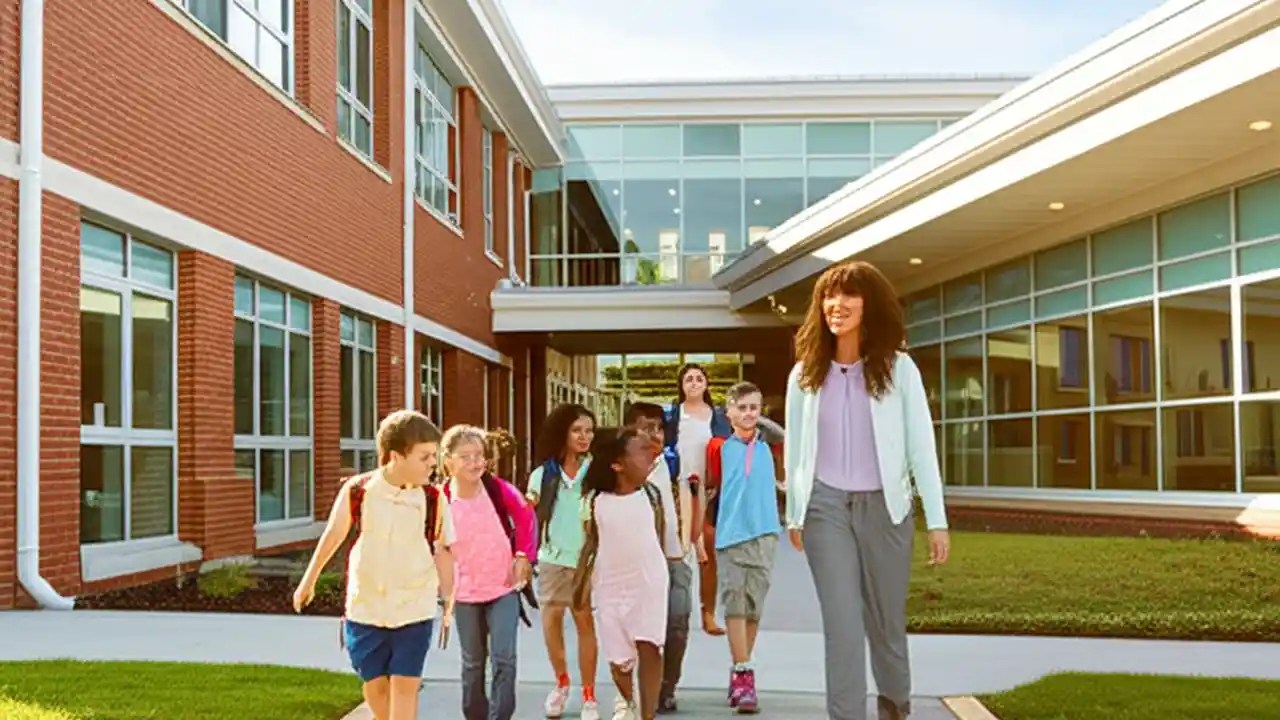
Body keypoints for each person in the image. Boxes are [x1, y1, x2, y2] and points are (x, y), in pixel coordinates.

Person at [784, 260, 950, 720]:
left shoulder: (900, 369)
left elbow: (922, 448)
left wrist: (937, 520)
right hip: (825, 508)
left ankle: (895, 708)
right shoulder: (804, 375)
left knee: (886, 627)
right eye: (829, 296)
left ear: (868, 303)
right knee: (842, 627)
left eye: (848, 295)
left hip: (886, 508)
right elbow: (796, 452)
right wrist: (795, 513)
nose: (837, 305)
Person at [292, 410, 449, 720]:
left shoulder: (433, 498)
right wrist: (307, 582)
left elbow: (445, 547)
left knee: (405, 686)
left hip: (414, 606)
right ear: (396, 456)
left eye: (435, 455)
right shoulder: (358, 491)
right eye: (425, 456)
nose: (433, 463)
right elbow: (333, 535)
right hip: (366, 606)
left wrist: (451, 597)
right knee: (375, 686)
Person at [435, 424, 538, 720]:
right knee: (473, 662)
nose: (474, 462)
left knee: (505, 659)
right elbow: (432, 544)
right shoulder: (439, 499)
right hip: (464, 593)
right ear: (448, 460)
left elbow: (526, 516)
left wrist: (523, 555)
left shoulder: (497, 489)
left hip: (502, 588)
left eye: (479, 455)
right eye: (465, 456)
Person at [572, 428, 673, 720]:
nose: (649, 455)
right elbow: (591, 542)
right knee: (619, 660)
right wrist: (580, 584)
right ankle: (628, 700)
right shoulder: (596, 501)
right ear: (617, 464)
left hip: (649, 581)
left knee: (650, 645)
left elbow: (660, 535)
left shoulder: (651, 494)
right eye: (641, 450)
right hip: (610, 584)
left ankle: (647, 715)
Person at [704, 381, 782, 714]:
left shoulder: (769, 447)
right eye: (743, 407)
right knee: (734, 605)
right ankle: (743, 673)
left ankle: (740, 666)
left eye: (755, 407)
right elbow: (706, 486)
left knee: (753, 607)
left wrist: (758, 423)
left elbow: (784, 436)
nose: (750, 413)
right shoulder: (719, 447)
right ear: (728, 412)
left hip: (764, 533)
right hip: (732, 535)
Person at [527, 404, 601, 720]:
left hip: (586, 560)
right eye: (577, 430)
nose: (584, 437)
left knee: (585, 622)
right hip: (551, 559)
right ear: (563, 433)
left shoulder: (597, 470)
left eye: (589, 430)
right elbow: (529, 518)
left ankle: (589, 695)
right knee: (552, 620)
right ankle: (561, 684)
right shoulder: (543, 474)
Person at [621, 402, 691, 714]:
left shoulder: (674, 462)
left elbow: (693, 496)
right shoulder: (623, 466)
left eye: (659, 428)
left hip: (674, 557)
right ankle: (639, 690)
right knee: (637, 631)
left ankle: (667, 685)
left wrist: (691, 541)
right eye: (645, 427)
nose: (654, 434)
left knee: (677, 623)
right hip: (635, 562)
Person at [661, 363, 731, 637]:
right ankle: (672, 610)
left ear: (706, 384)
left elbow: (726, 451)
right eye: (688, 379)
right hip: (675, 489)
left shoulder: (718, 416)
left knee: (707, 553)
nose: (693, 383)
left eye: (699, 378)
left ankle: (708, 613)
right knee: (674, 551)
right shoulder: (672, 416)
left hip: (707, 490)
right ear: (681, 385)